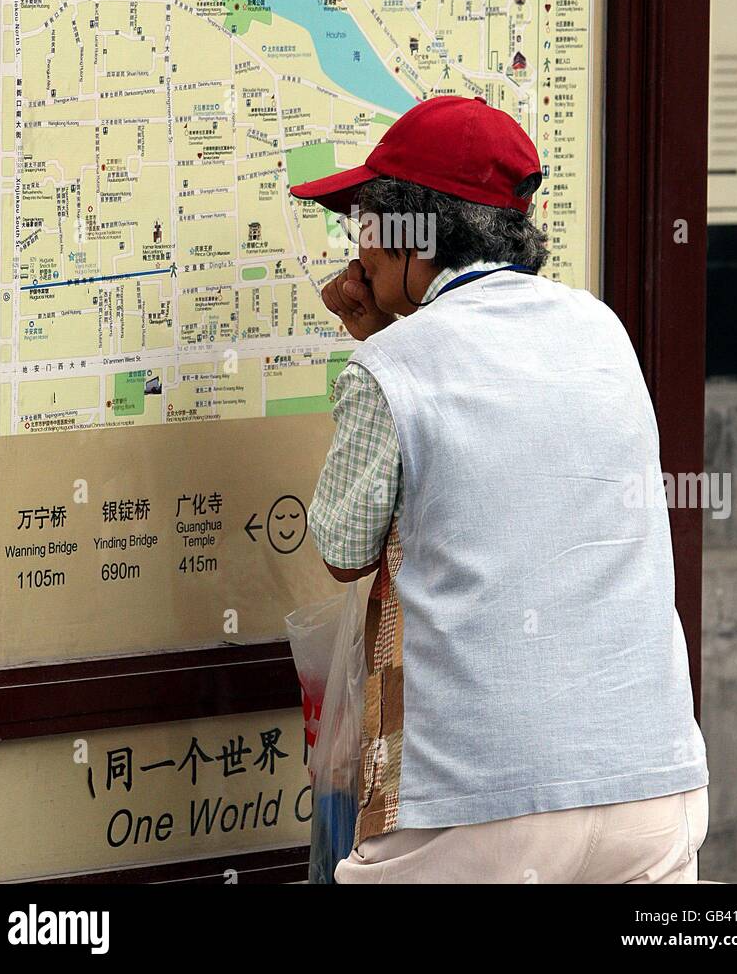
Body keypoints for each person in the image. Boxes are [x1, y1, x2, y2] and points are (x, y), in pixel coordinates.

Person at [289, 95, 709, 885]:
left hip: (476, 812)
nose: (359, 259)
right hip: (653, 790)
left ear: (418, 235)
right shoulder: (602, 330)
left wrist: (384, 341)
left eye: (368, 233)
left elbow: (342, 552)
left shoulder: (393, 365)